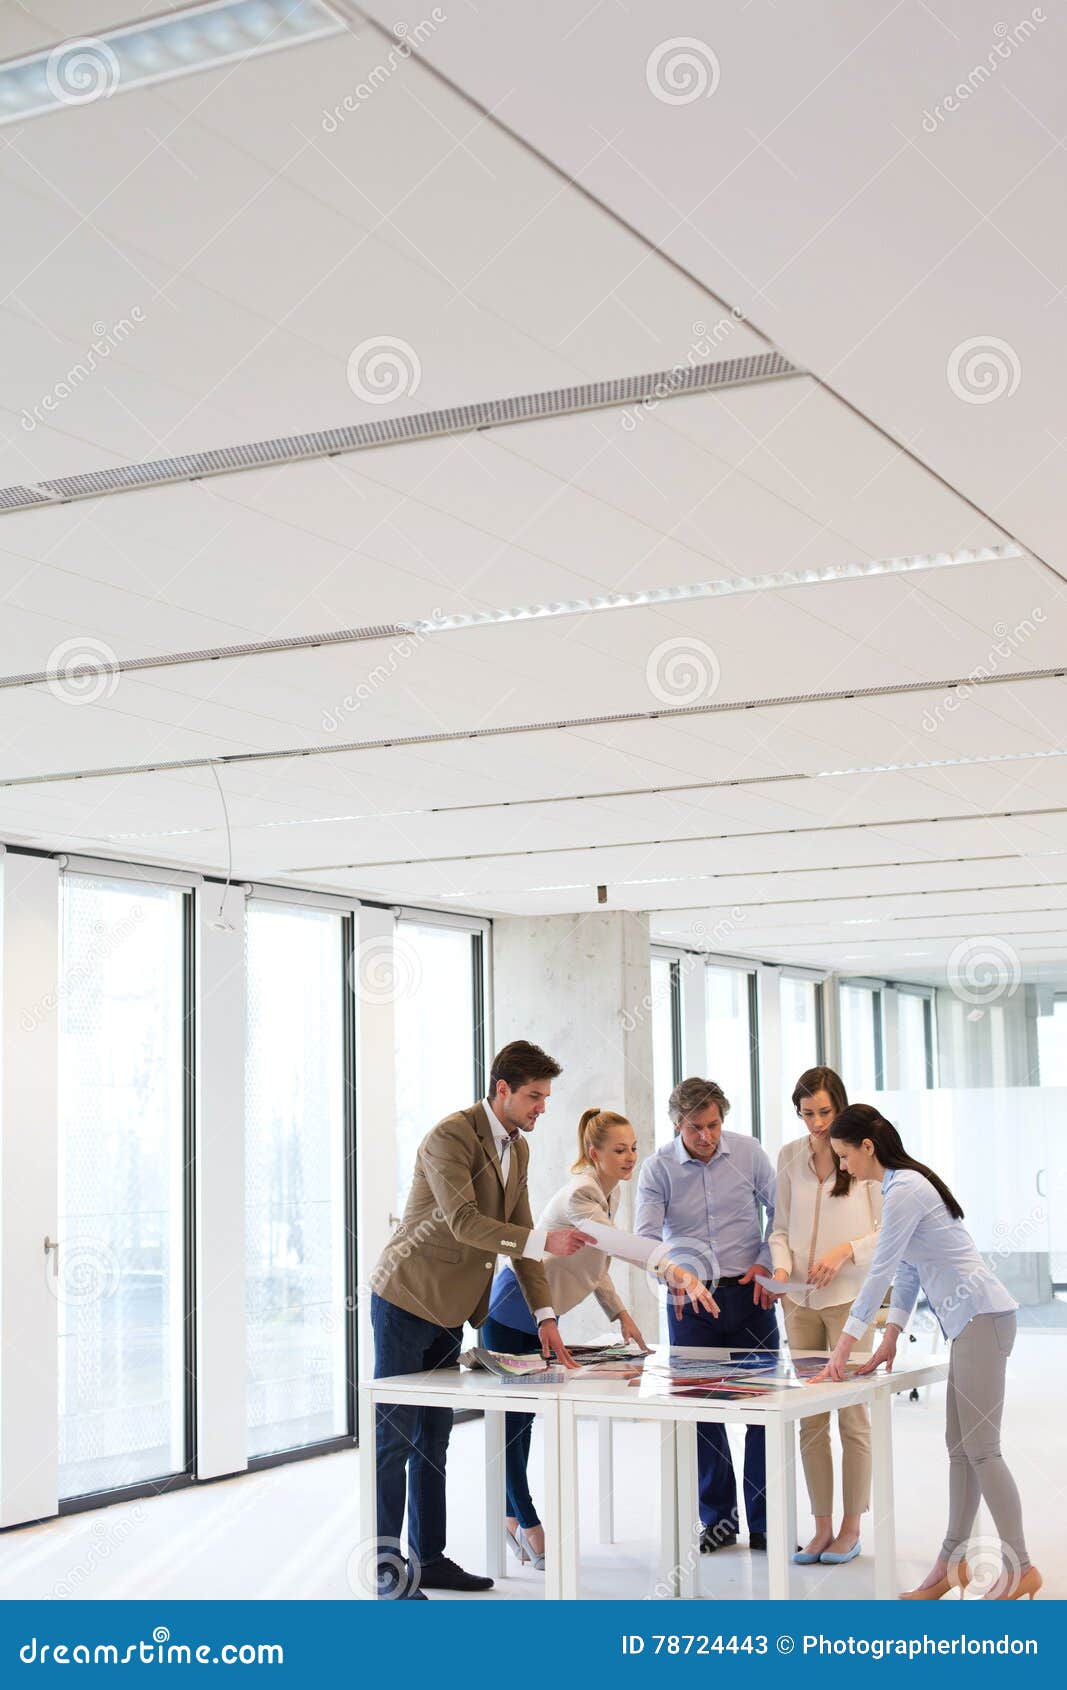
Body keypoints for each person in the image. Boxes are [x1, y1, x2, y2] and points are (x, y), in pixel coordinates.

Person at [370, 1040, 593, 1599]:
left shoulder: (516, 1148)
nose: (543, 1107)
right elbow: (466, 1222)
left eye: (545, 1097)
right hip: (406, 1299)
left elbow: (523, 1245)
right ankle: (386, 1570)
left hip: (451, 1312)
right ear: (502, 1090)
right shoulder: (451, 1137)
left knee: (432, 1441)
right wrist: (544, 1238)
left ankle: (432, 1558)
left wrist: (546, 1316)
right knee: (395, 1440)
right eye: (534, 1097)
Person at [812, 1104, 1040, 1602]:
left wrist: (845, 1344)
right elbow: (910, 1269)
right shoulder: (901, 1187)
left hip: (984, 1318)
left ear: (867, 1147)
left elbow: (881, 1269)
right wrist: (891, 1333)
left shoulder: (906, 1189)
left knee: (982, 1450)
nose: (844, 1166)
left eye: (845, 1155)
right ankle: (947, 1569)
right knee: (960, 1451)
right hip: (971, 1323)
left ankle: (1021, 1566)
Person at [482, 1107, 721, 1569]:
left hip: (538, 1314)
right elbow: (619, 1246)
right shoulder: (581, 1193)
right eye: (619, 1150)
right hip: (514, 1309)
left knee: (523, 1421)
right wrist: (677, 1272)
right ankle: (524, 1520)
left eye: (633, 1148)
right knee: (513, 1425)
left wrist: (622, 1314)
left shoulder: (606, 1194)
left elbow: (595, 1263)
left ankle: (511, 1516)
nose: (631, 1157)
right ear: (594, 1153)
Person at [635, 1076, 777, 1555]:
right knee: (701, 1414)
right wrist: (678, 1276)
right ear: (678, 1124)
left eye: (714, 1125)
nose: (707, 1136)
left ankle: (763, 1522)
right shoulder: (657, 1169)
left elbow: (783, 1213)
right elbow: (647, 1242)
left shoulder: (750, 1154)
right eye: (696, 1127)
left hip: (750, 1293)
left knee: (764, 1410)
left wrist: (768, 1263)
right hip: (690, 1301)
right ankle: (718, 1520)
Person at [769, 1066, 882, 1567]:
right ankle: (819, 1528)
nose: (816, 1123)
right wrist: (780, 1263)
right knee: (809, 1420)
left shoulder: (863, 1157)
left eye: (824, 1112)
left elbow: (887, 1234)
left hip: (849, 1304)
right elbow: (778, 1227)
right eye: (807, 1113)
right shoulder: (789, 1157)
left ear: (840, 1106)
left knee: (852, 1417)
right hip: (799, 1304)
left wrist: (843, 1252)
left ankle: (852, 1527)